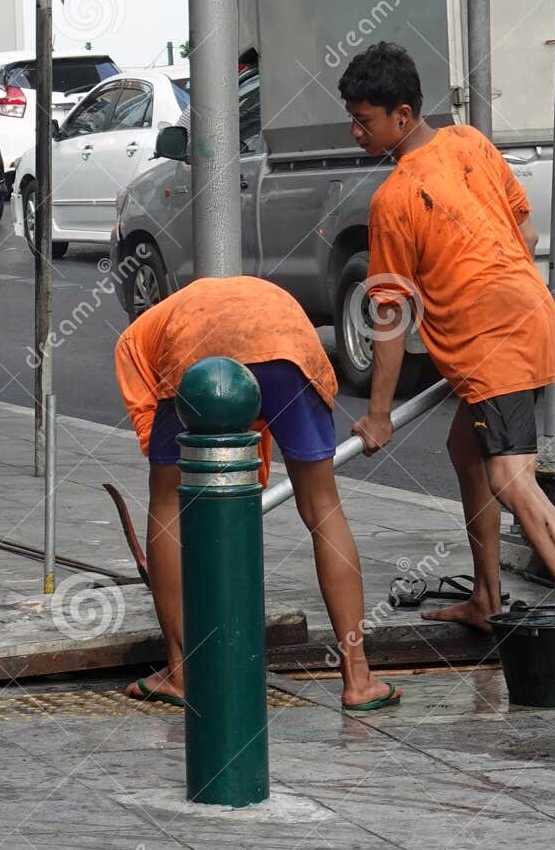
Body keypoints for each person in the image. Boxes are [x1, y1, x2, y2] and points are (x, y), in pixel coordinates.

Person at [339, 42, 555, 646]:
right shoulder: (468, 143)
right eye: (353, 117)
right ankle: (487, 597)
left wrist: (379, 414)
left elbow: (389, 316)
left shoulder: (394, 199)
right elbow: (526, 228)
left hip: (496, 344)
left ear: (403, 116)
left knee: (512, 479)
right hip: (527, 315)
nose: (355, 130)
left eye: (366, 120)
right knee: (467, 450)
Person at [114, 276, 400, 711]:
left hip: (198, 351)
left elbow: (155, 436)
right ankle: (359, 678)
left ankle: (181, 671)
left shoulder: (133, 343)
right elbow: (253, 427)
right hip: (289, 344)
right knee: (323, 507)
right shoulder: (227, 297)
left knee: (167, 501)